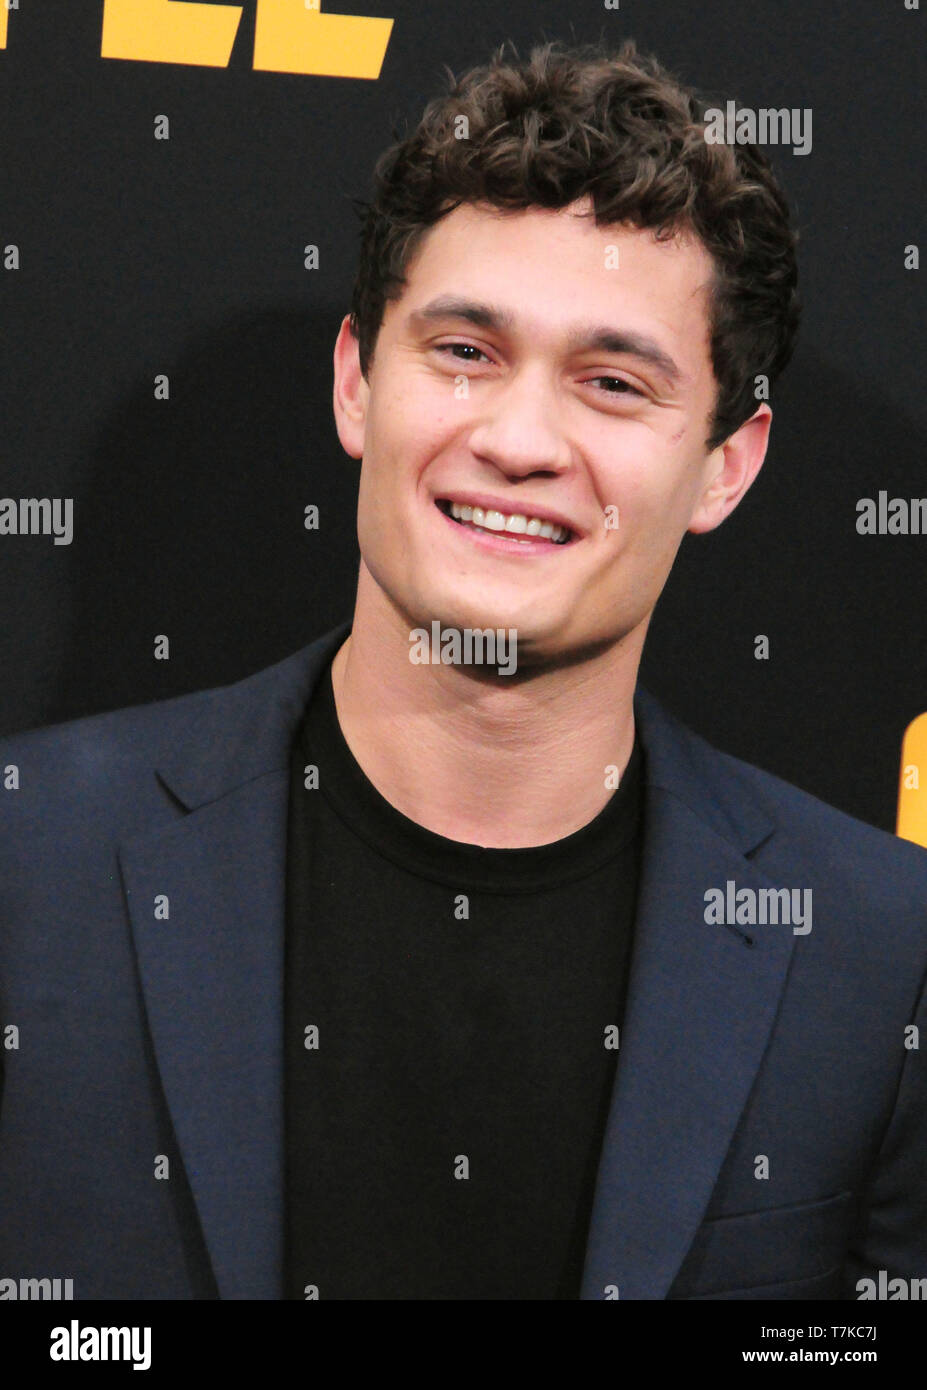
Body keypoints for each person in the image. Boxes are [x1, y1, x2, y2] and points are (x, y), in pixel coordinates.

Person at [1, 37, 926, 1302]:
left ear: (728, 463)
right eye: (463, 352)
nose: (519, 438)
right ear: (356, 383)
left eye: (612, 382)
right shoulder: (29, 857)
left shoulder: (879, 954)